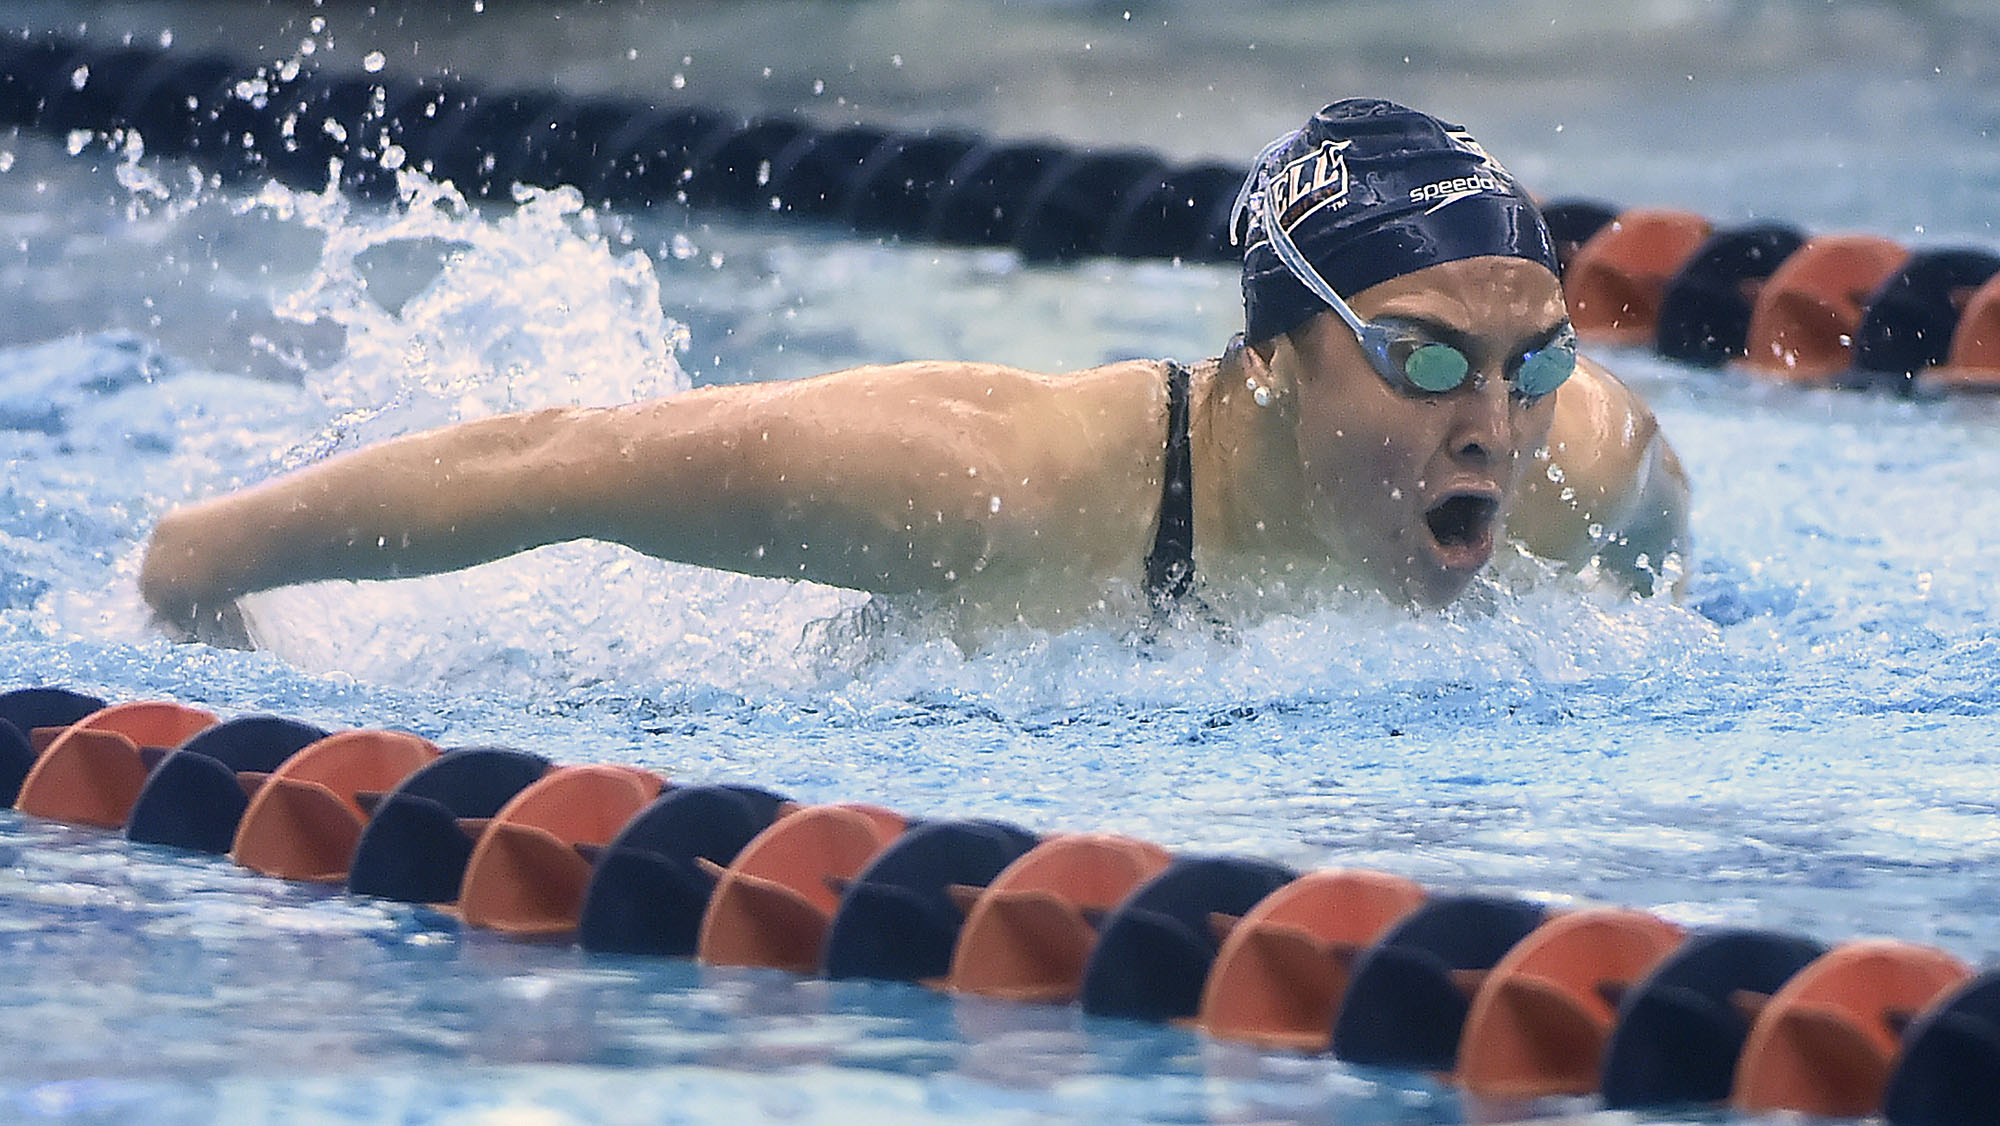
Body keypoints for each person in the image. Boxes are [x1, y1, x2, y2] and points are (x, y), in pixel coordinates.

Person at [139, 98, 1690, 647]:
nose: (1491, 420)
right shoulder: (993, 485)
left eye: (1529, 359)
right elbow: (562, 464)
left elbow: (1666, 588)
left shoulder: (1585, 465)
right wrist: (208, 560)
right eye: (1423, 358)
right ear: (1272, 360)